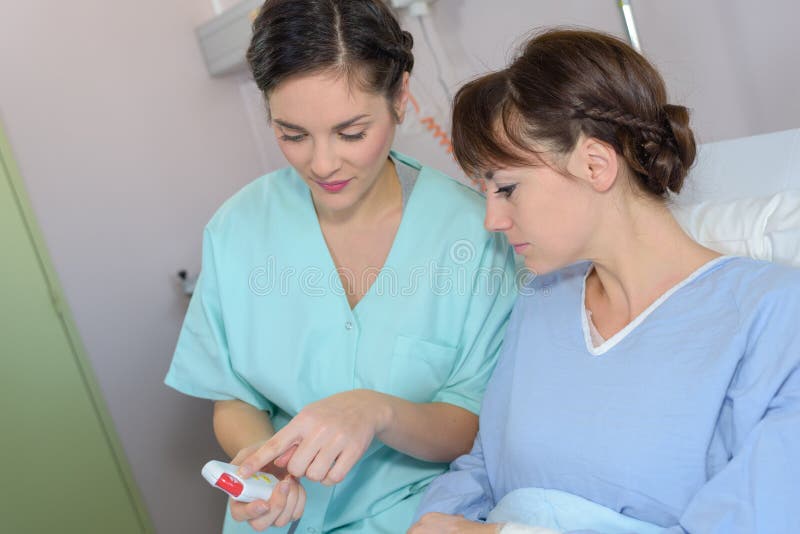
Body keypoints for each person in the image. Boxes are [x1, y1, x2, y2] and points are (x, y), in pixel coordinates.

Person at [410, 28, 800, 534]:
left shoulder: (775, 318)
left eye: (506, 189)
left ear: (595, 165)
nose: (493, 220)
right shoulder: (541, 302)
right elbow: (484, 467)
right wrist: (435, 522)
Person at [164, 0, 517, 532]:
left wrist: (379, 412)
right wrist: (264, 464)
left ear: (400, 97)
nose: (322, 163)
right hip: (279, 519)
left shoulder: (477, 235)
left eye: (351, 133)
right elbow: (234, 397)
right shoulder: (237, 229)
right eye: (293, 135)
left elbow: (476, 424)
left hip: (414, 516)